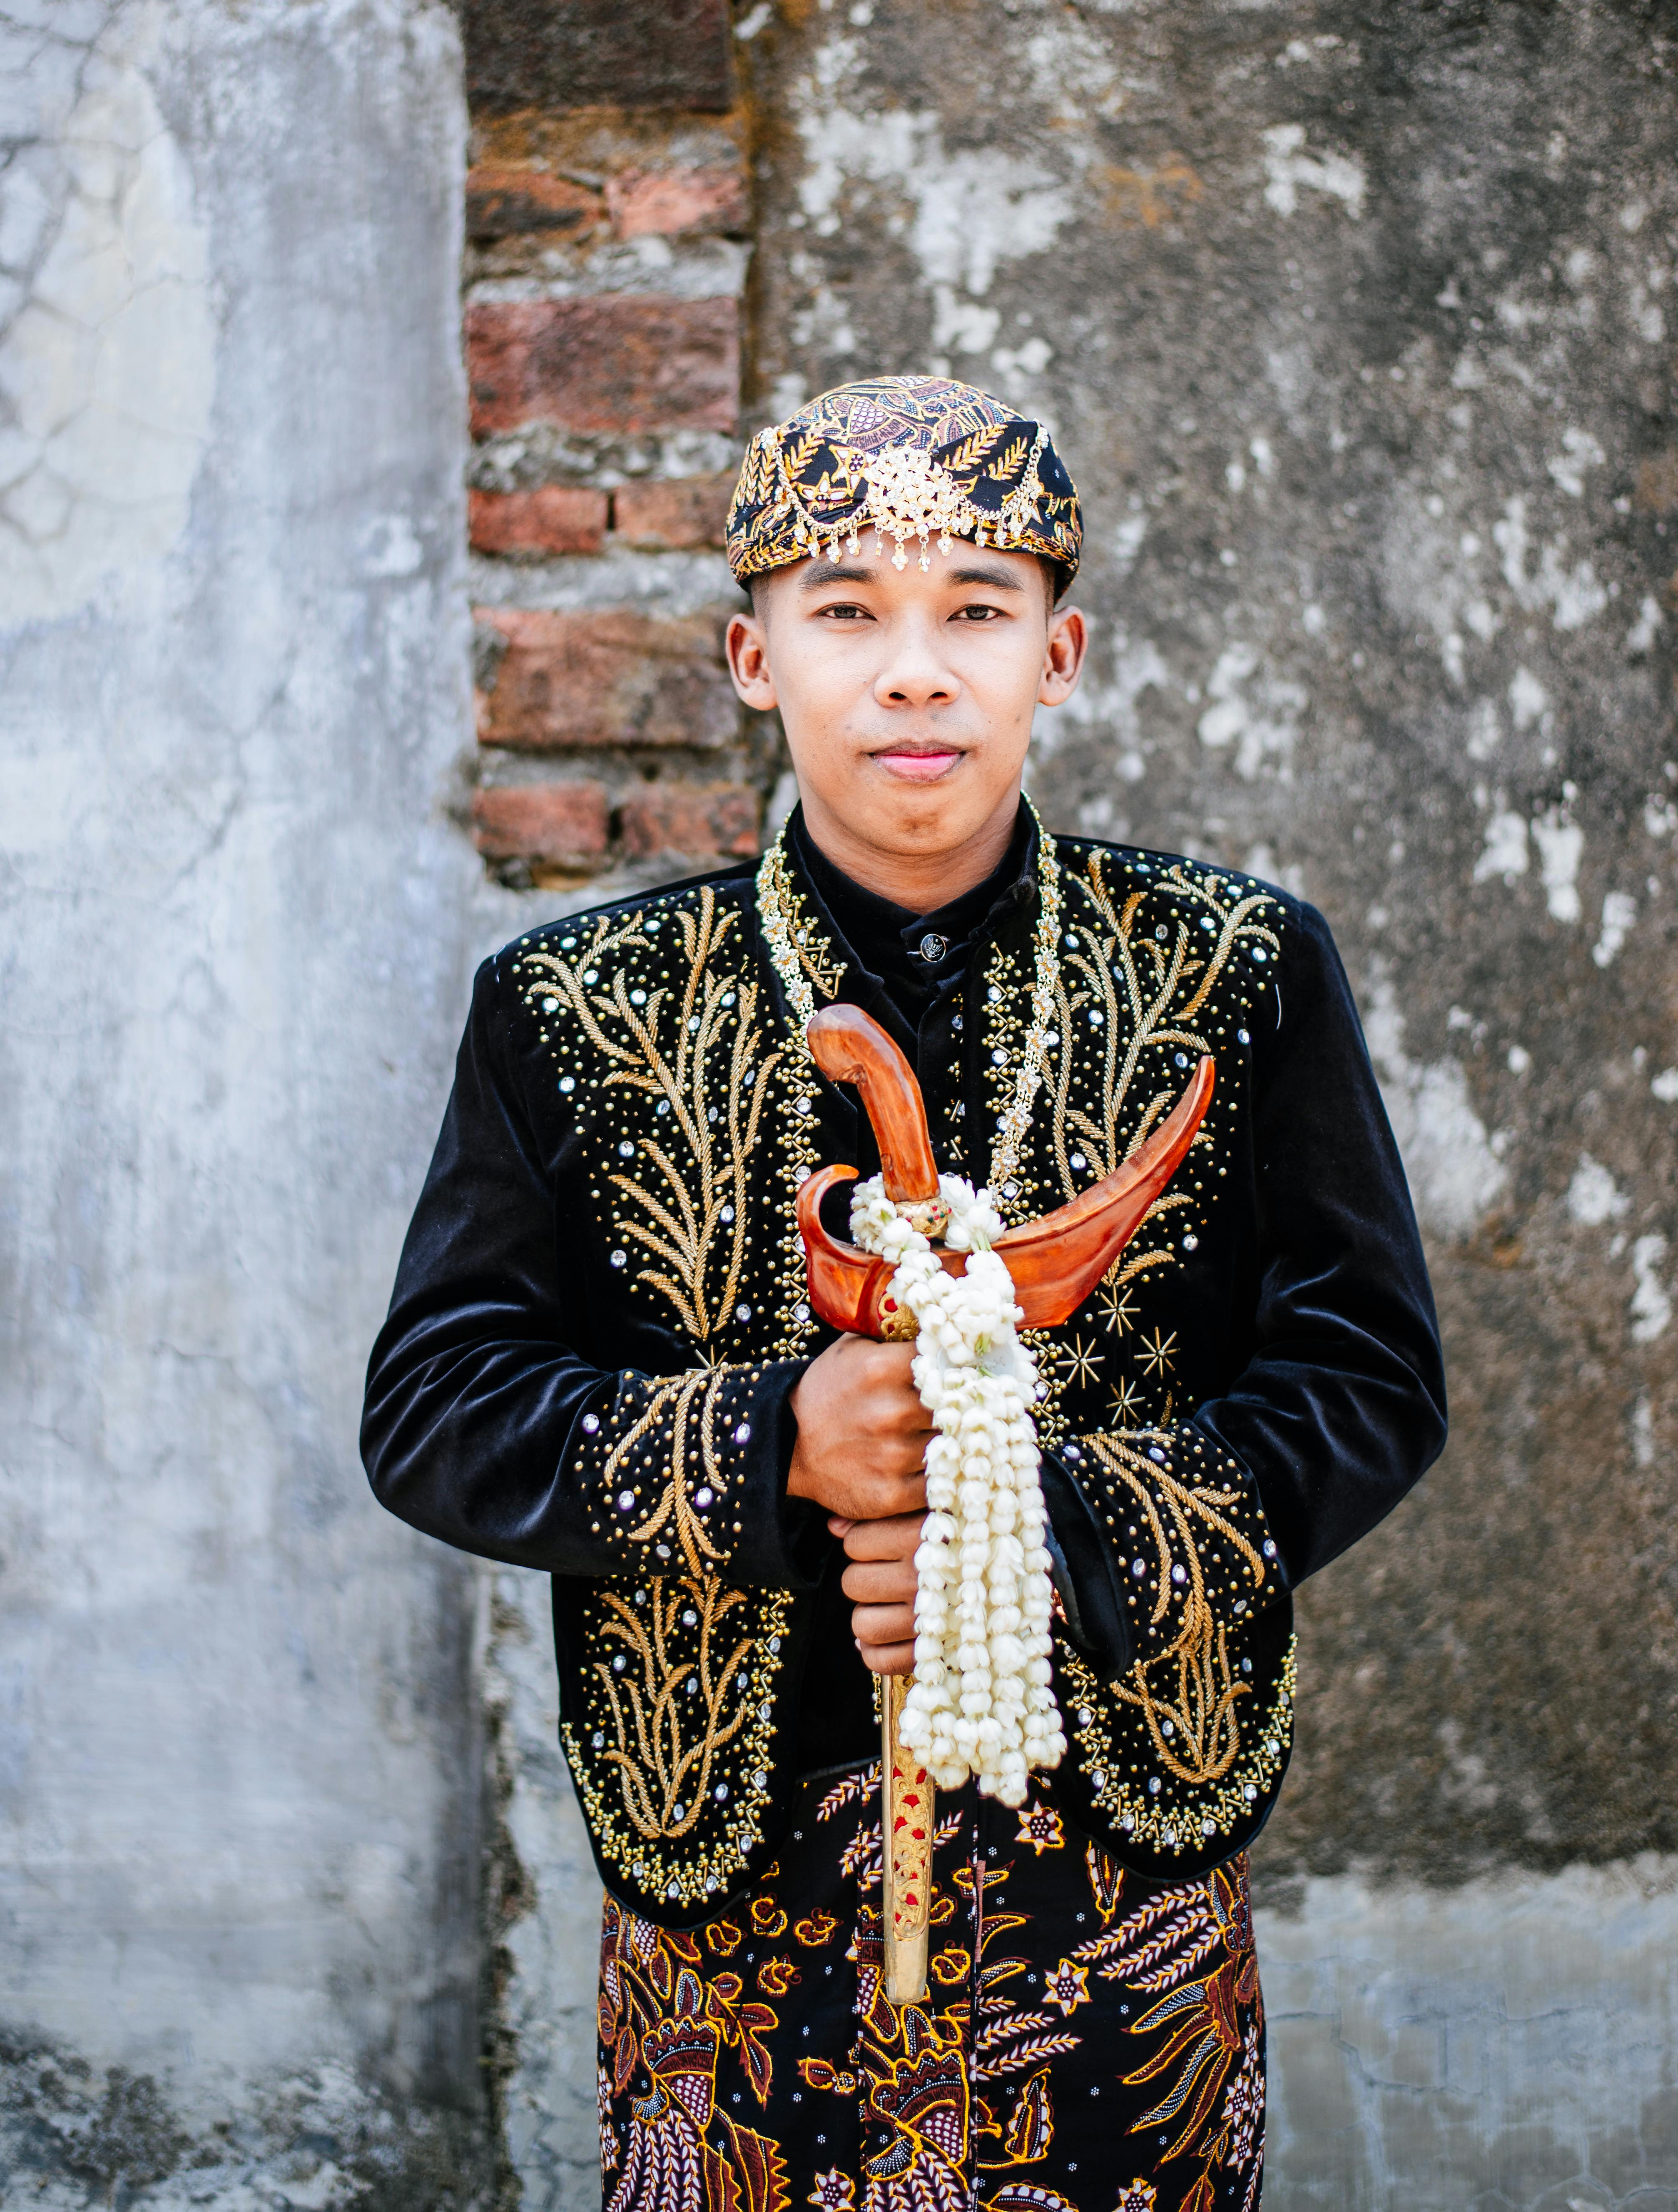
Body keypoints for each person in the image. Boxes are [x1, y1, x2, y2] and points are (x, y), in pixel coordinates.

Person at [363, 374, 1445, 2212]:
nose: (915, 670)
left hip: (1119, 1894)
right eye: (846, 609)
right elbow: (436, 1409)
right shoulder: (573, 1002)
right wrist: (776, 1440)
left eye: (974, 611)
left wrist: (1035, 1520)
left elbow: (1363, 1379)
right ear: (750, 655)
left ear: (1061, 651)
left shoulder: (1236, 971)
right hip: (725, 1911)